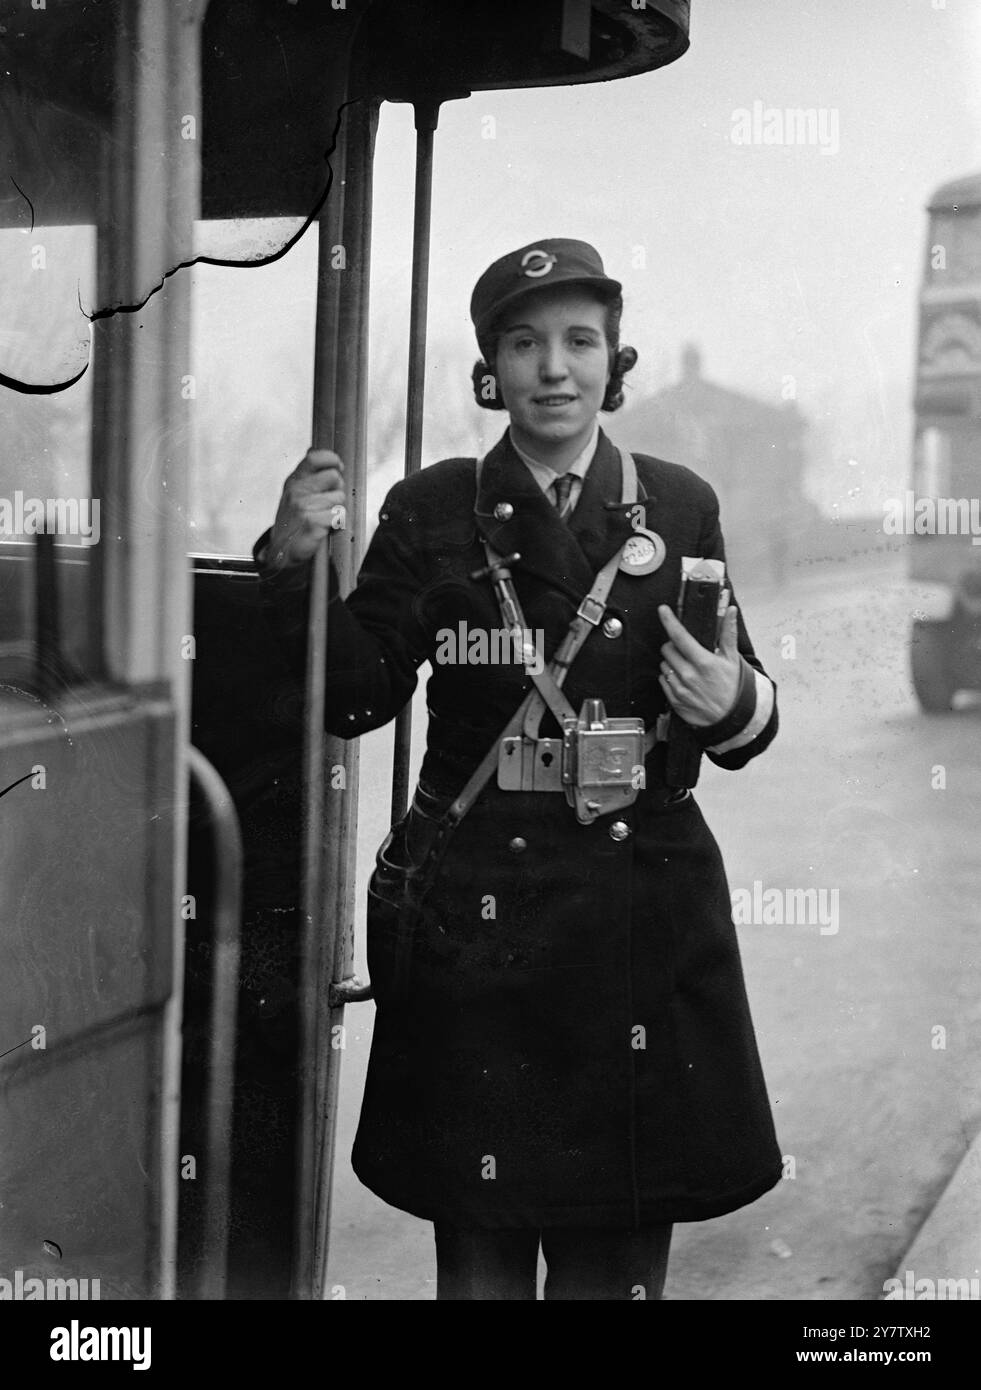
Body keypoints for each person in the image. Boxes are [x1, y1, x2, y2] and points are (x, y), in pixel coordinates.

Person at [255, 238, 781, 1300]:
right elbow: (356, 698)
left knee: (616, 1265)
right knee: (483, 1264)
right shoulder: (434, 508)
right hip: (480, 941)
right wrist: (294, 564)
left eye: (580, 341)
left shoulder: (678, 506)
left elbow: (745, 713)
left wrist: (731, 703)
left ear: (613, 359)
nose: (555, 367)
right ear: (492, 365)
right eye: (526, 342)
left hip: (639, 925)